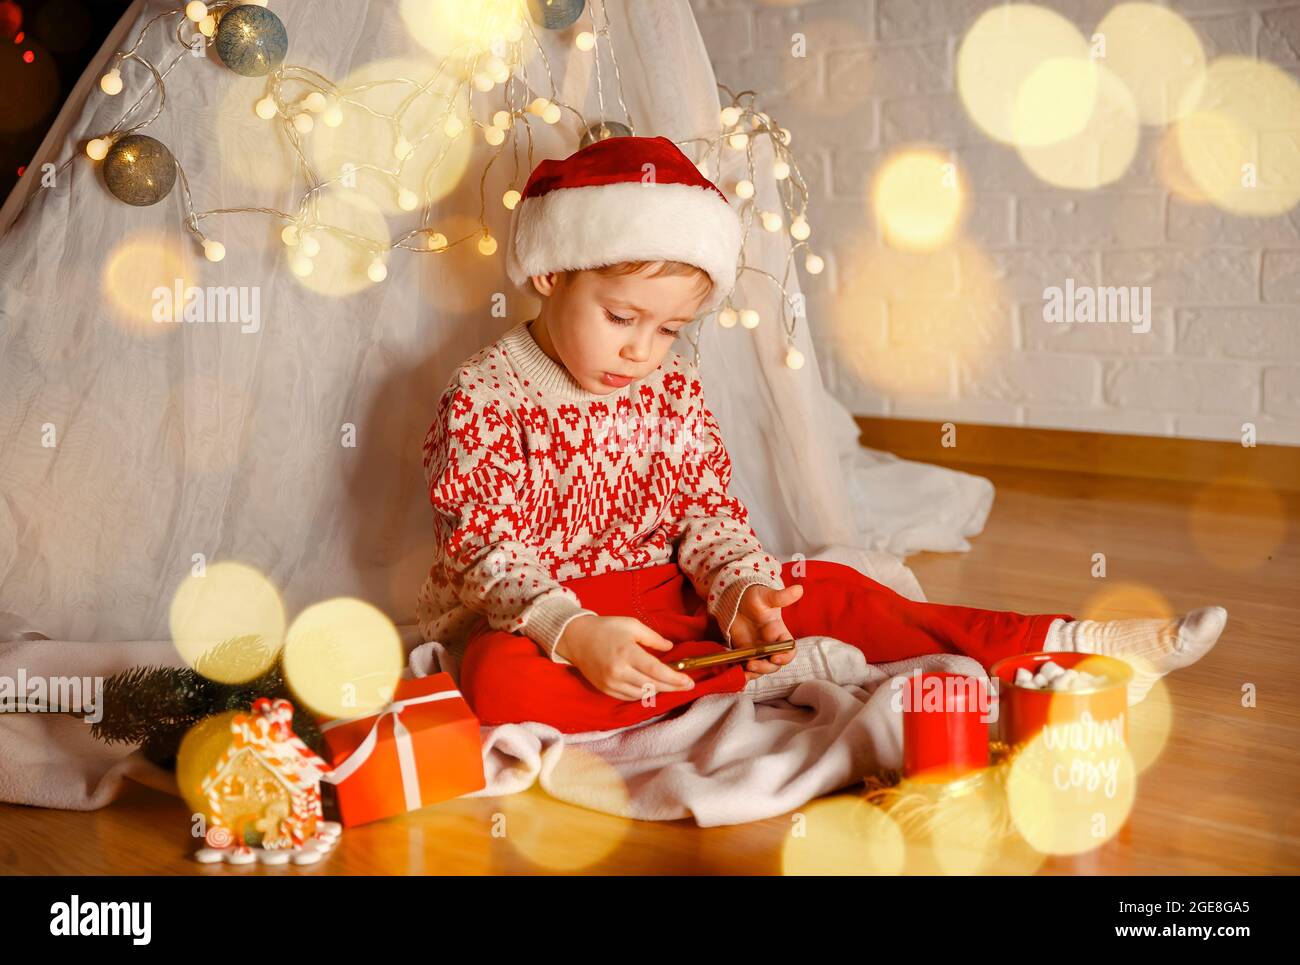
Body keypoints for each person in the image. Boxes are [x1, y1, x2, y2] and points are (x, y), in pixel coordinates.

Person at [415, 135, 1226, 734]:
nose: (642, 350)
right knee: (495, 682)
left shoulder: (667, 387)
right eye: (623, 318)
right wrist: (573, 630)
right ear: (552, 274)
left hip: (675, 607)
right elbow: (486, 547)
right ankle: (750, 674)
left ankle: (1077, 641)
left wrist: (739, 596)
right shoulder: (483, 395)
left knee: (834, 590)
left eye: (669, 330)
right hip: (552, 615)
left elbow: (708, 513)